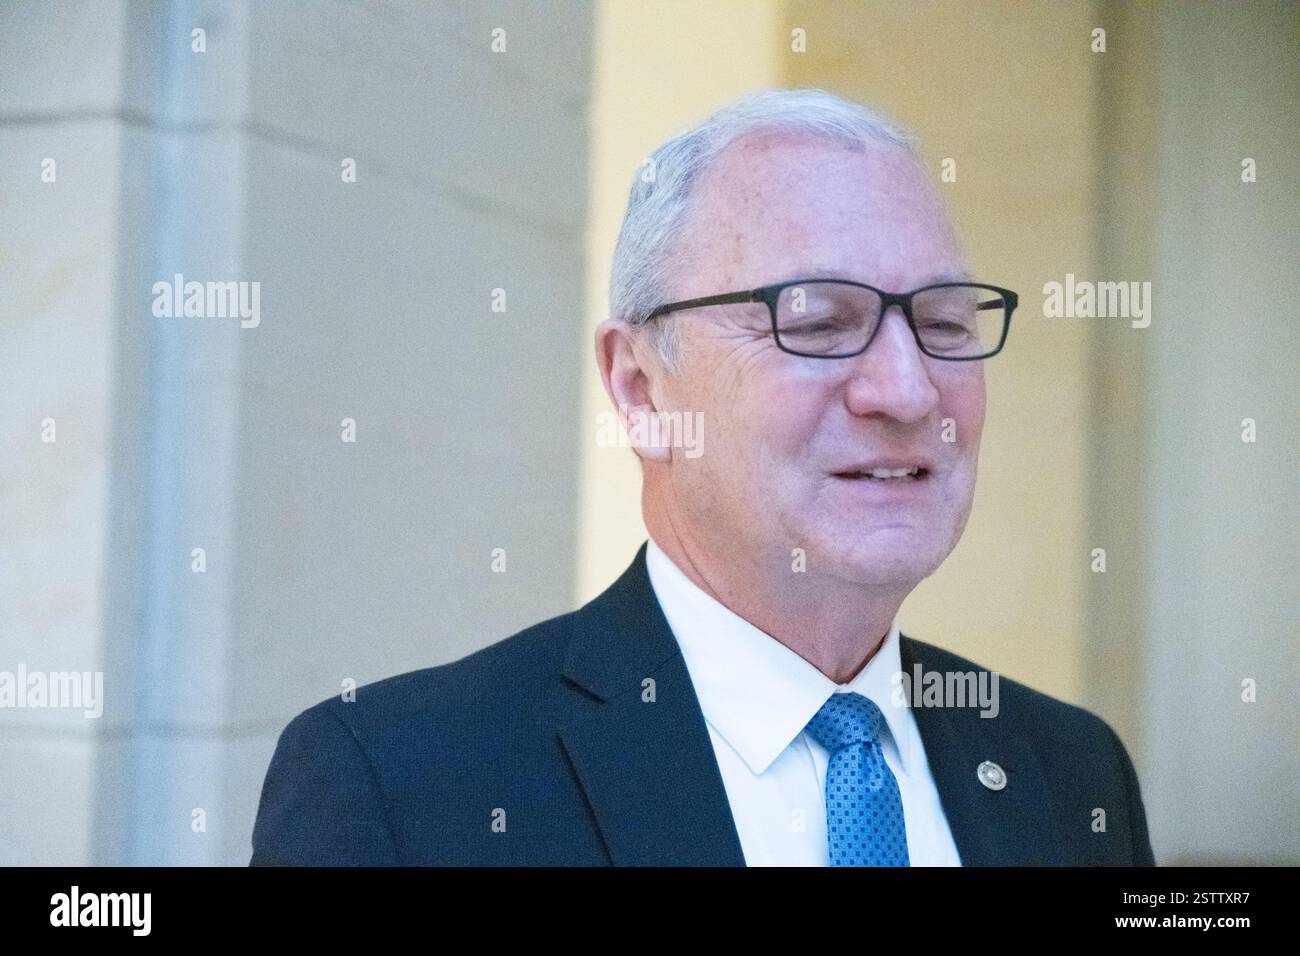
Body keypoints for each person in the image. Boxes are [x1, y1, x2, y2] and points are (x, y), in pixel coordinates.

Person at [250, 88, 1155, 866]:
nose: (908, 389)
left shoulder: (1073, 774)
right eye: (817, 320)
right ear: (641, 390)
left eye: (946, 324)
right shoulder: (403, 785)